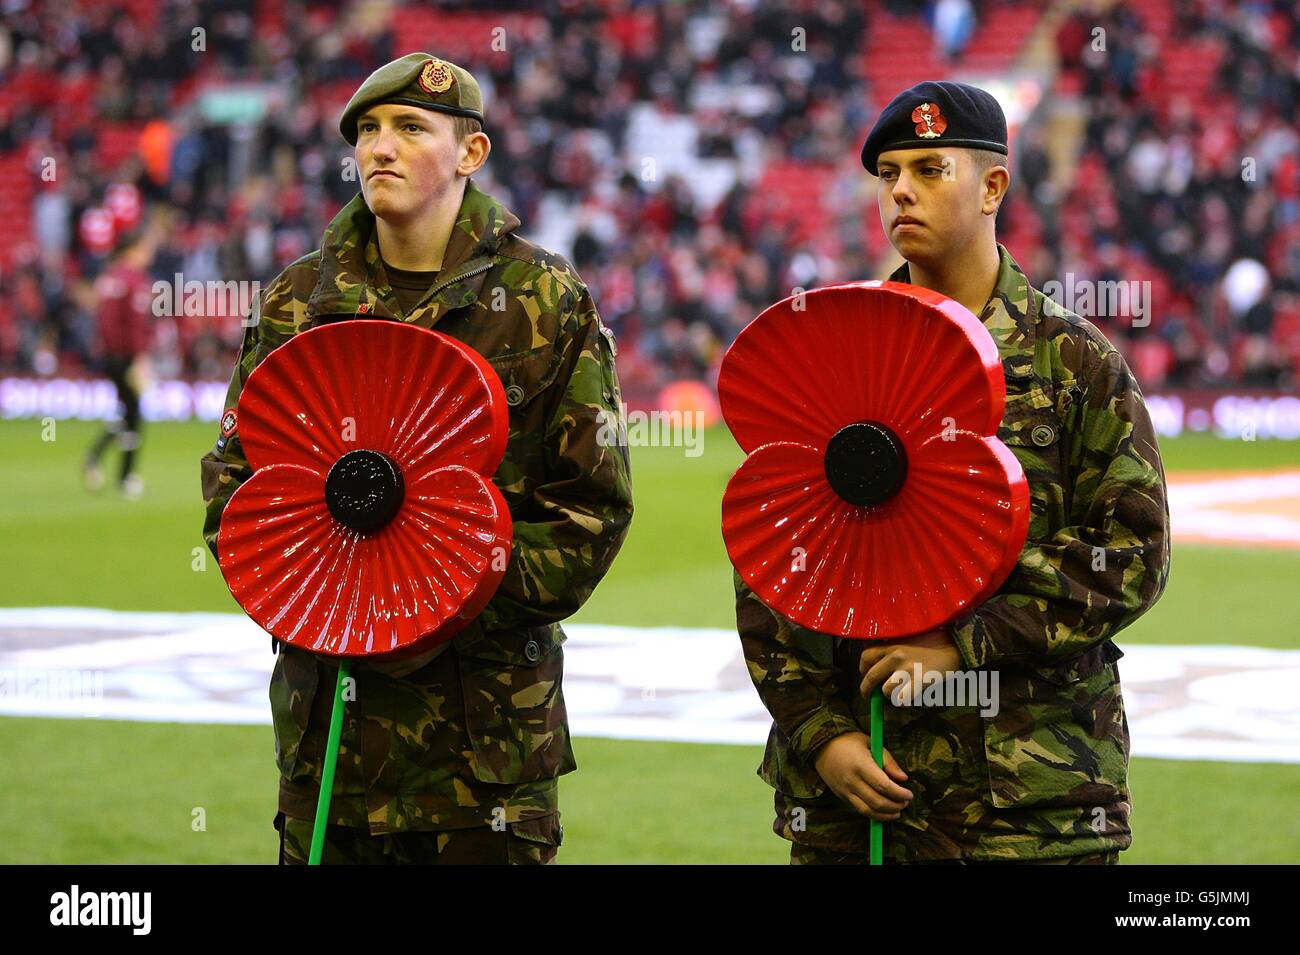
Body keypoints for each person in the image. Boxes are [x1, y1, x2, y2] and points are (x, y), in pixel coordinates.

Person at [199, 53, 633, 864]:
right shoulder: (300, 303)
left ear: (471, 153)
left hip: (483, 758)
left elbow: (590, 512)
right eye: (367, 130)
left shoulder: (542, 299)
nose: (379, 148)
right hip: (331, 744)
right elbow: (234, 489)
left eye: (409, 128)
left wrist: (436, 589)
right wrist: (312, 588)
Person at [736, 81, 1171, 864]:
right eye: (888, 173)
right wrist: (821, 733)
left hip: (1029, 804)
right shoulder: (839, 355)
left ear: (993, 186)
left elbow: (1134, 553)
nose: (900, 189)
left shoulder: (1071, 361)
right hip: (859, 802)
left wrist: (962, 642)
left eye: (931, 168)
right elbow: (770, 563)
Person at [85, 229, 155, 499]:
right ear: (134, 249)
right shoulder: (135, 280)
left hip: (108, 354)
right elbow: (136, 324)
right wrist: (139, 358)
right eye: (145, 247)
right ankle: (126, 478)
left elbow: (101, 318)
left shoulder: (108, 276)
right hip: (126, 356)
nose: (149, 254)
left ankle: (96, 457)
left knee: (127, 412)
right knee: (134, 414)